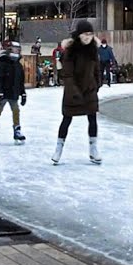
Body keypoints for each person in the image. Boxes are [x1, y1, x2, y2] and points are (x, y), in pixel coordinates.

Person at [52, 20, 102, 165]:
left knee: (92, 119)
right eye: (85, 34)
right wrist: (73, 91)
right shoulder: (71, 51)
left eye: (90, 34)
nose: (88, 37)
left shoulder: (93, 50)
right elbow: (67, 74)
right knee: (67, 119)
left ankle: (93, 149)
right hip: (72, 91)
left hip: (89, 90)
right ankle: (58, 149)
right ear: (79, 35)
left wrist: (97, 84)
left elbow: (96, 69)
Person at [0, 40, 27, 143]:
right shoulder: (3, 63)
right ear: (10, 49)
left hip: (13, 93)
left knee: (16, 110)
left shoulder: (18, 65)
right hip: (3, 93)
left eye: (18, 49)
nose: (18, 50)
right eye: (16, 49)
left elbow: (20, 81)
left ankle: (17, 130)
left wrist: (23, 93)